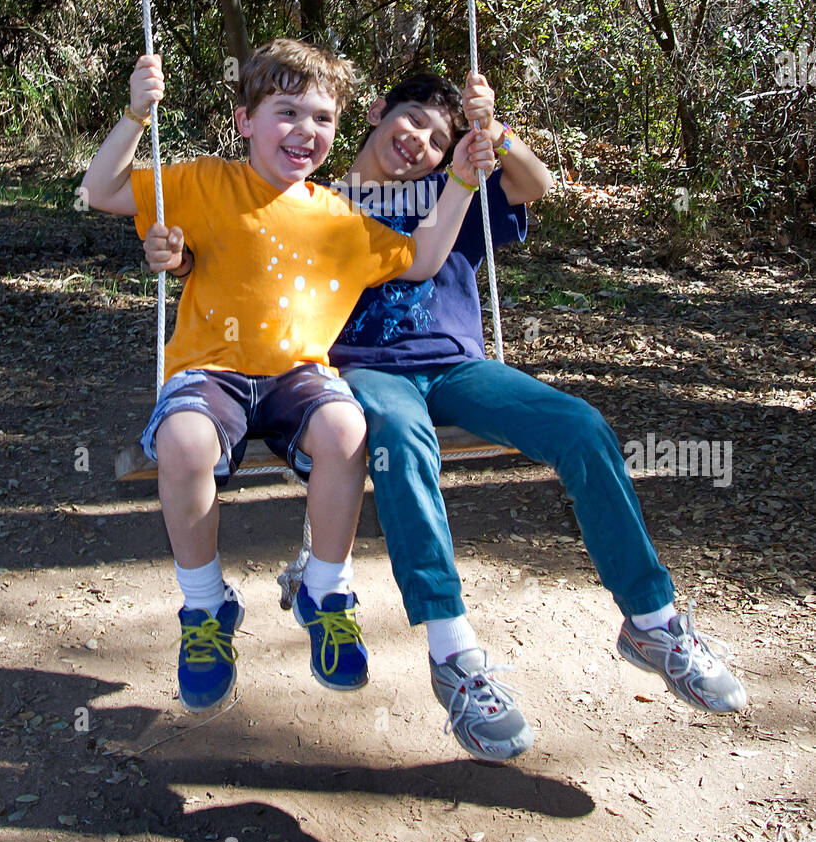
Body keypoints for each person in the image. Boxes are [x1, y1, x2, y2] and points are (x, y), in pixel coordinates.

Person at [148, 66, 747, 758]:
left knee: (581, 427)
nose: (420, 143)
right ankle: (455, 655)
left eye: (438, 139)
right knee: (398, 439)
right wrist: (185, 257)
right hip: (369, 372)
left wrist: (493, 133)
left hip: (463, 369)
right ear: (374, 112)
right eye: (411, 122)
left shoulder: (453, 192)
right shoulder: (311, 199)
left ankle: (653, 619)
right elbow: (236, 255)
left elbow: (533, 184)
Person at [81, 40, 493, 713]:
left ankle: (325, 590)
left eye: (324, 119)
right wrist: (134, 116)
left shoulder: (339, 217)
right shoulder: (203, 182)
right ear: (245, 120)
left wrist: (465, 181)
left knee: (345, 425)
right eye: (287, 112)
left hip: (298, 374)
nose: (307, 132)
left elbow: (420, 256)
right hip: (212, 371)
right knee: (183, 443)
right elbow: (99, 191)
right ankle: (206, 609)